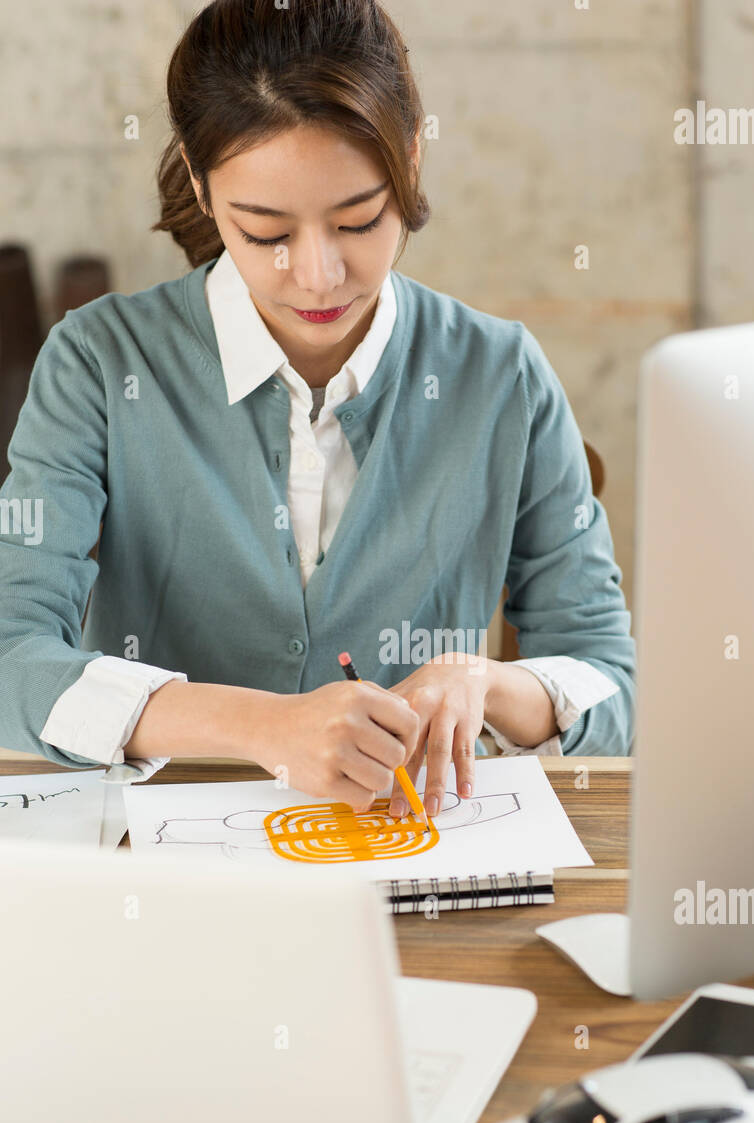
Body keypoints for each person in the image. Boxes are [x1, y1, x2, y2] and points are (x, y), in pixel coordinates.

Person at [0, 0, 635, 821]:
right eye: (265, 231)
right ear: (199, 181)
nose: (318, 276)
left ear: (410, 157)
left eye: (359, 220)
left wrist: (487, 684)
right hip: (165, 877)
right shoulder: (100, 360)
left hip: (417, 869)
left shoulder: (500, 374)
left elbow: (613, 689)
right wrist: (262, 725)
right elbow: (12, 655)